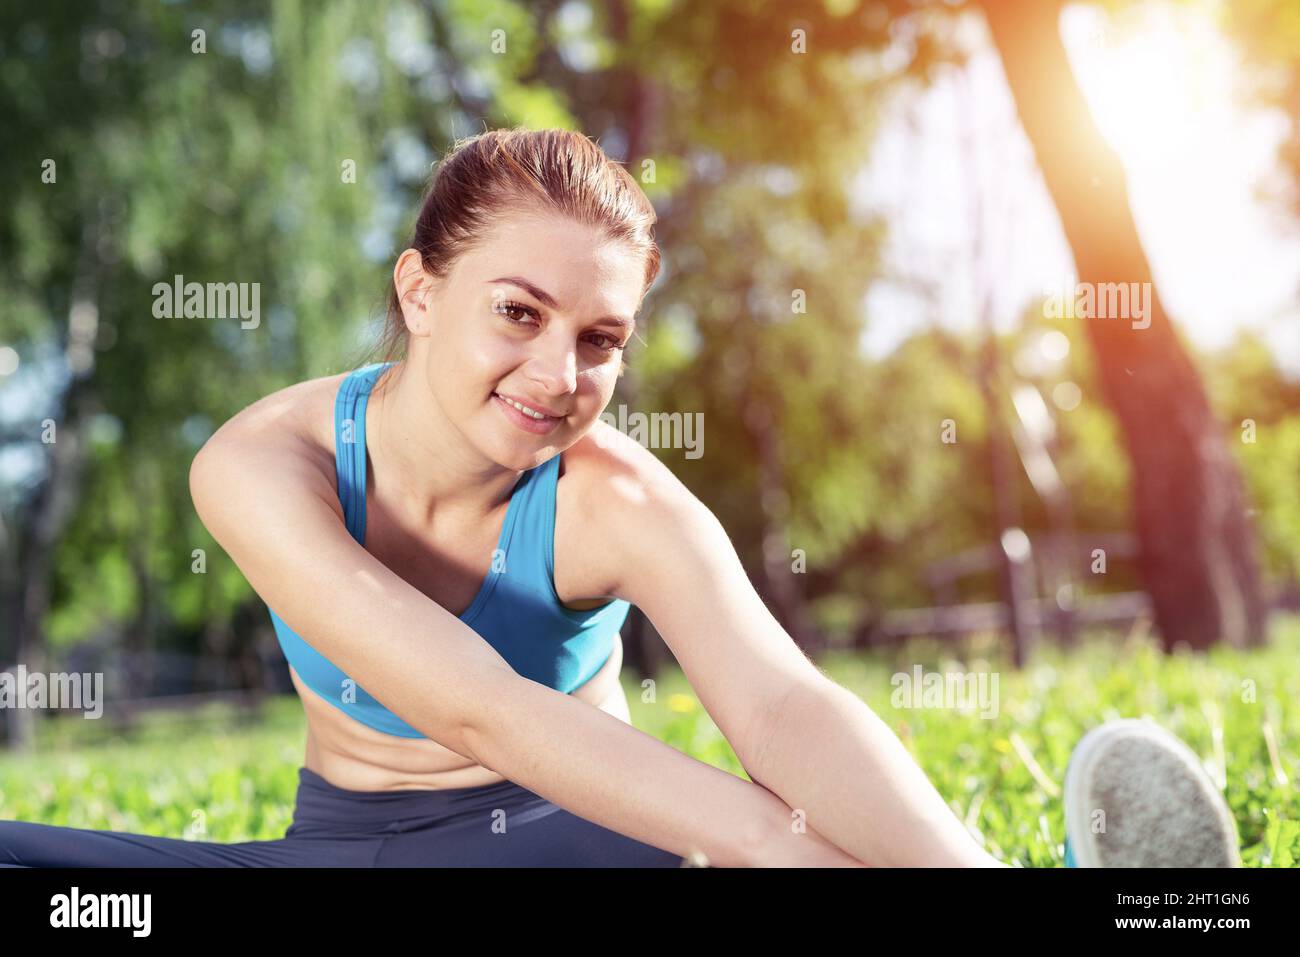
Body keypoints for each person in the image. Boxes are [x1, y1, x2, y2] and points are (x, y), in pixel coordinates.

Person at [0, 128, 1240, 868]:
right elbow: (477, 707)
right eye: (517, 313)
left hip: (571, 843)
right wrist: (774, 849)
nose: (558, 375)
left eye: (601, 338)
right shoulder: (264, 465)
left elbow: (783, 707)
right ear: (420, 291)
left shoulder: (619, 502)